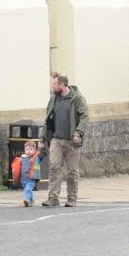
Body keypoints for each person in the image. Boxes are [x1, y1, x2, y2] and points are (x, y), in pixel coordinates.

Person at [42, 72, 90, 207]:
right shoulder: (53, 99)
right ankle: (53, 197)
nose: (52, 87)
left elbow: (85, 116)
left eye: (55, 84)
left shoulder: (77, 98)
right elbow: (47, 119)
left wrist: (79, 132)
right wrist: (42, 138)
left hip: (72, 140)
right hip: (56, 139)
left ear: (63, 85)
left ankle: (72, 198)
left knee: (72, 170)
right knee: (53, 167)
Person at [18, 140, 42, 207]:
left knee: (28, 189)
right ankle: (31, 201)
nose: (28, 151)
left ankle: (27, 200)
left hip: (31, 178)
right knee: (27, 190)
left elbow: (42, 154)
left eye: (31, 149)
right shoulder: (22, 158)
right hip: (23, 178)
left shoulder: (36, 158)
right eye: (27, 149)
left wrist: (41, 146)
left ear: (34, 150)